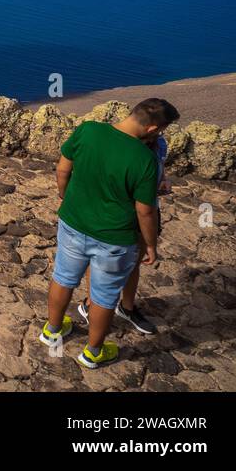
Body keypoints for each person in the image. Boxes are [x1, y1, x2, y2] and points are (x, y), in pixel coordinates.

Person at [39, 97, 179, 369]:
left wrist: (66, 198)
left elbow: (62, 169)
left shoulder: (88, 130)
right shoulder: (144, 160)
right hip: (115, 239)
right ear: (152, 130)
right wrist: (151, 245)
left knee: (63, 277)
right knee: (103, 296)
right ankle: (93, 352)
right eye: (161, 131)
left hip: (73, 222)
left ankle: (52, 330)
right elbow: (145, 211)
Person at [75, 129, 170, 334]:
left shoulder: (160, 144)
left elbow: (159, 175)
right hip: (114, 210)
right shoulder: (117, 142)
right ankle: (90, 304)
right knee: (97, 258)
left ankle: (127, 307)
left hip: (145, 209)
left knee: (134, 261)